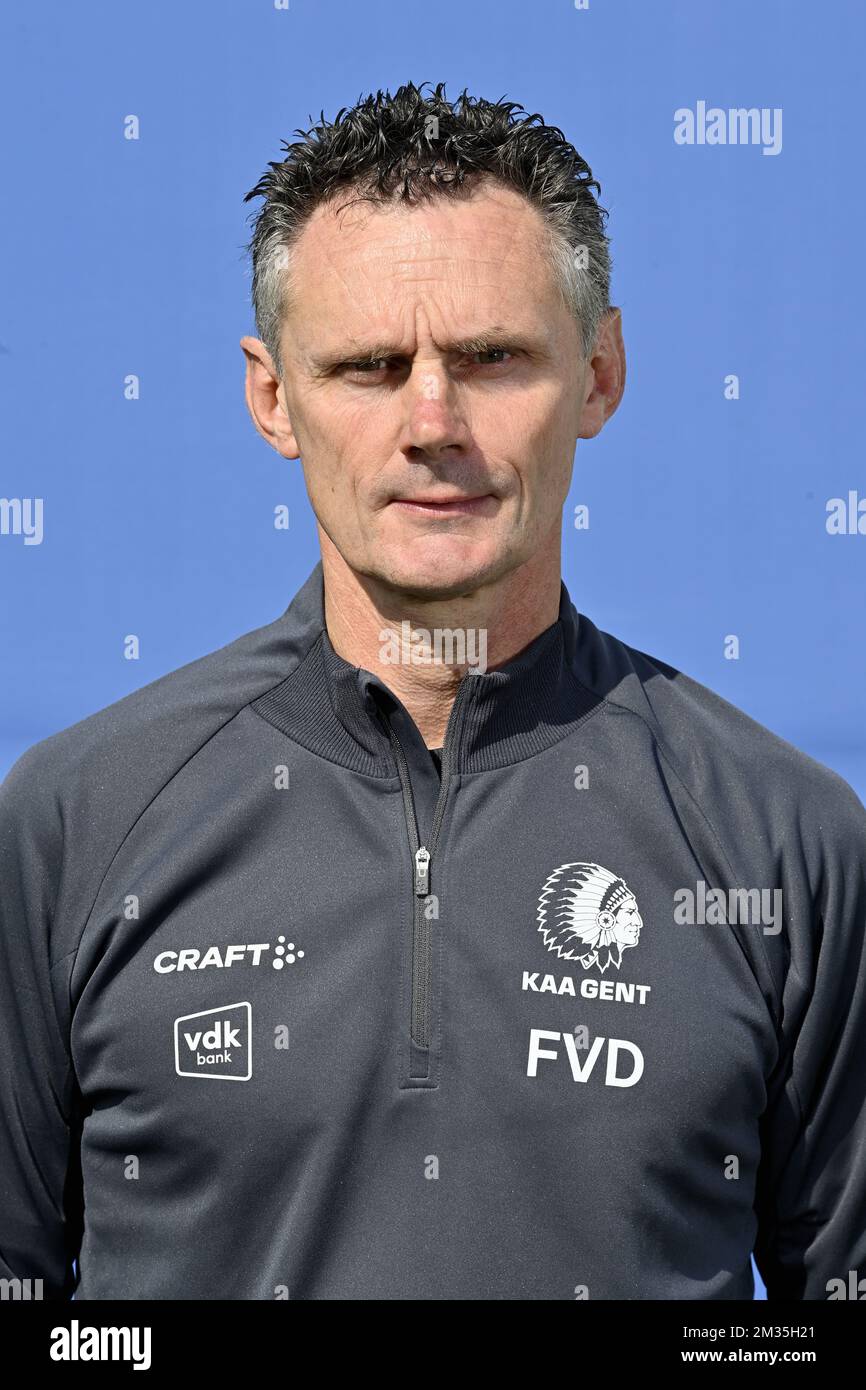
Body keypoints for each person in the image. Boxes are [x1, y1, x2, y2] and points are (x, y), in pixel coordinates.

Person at [1, 81, 864, 1302]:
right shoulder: (74, 823)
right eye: (364, 366)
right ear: (271, 399)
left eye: (490, 358)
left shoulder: (782, 842)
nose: (429, 420)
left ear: (601, 373)